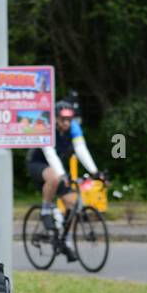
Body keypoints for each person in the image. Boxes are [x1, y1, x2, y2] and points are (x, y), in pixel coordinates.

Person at [25, 100, 103, 246]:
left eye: (69, 119)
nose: (66, 123)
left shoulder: (74, 128)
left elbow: (81, 150)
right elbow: (50, 153)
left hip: (56, 167)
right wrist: (61, 174)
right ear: (55, 118)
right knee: (54, 178)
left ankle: (65, 240)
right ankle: (46, 211)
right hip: (37, 163)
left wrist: (94, 171)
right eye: (63, 119)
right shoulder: (46, 126)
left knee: (75, 204)